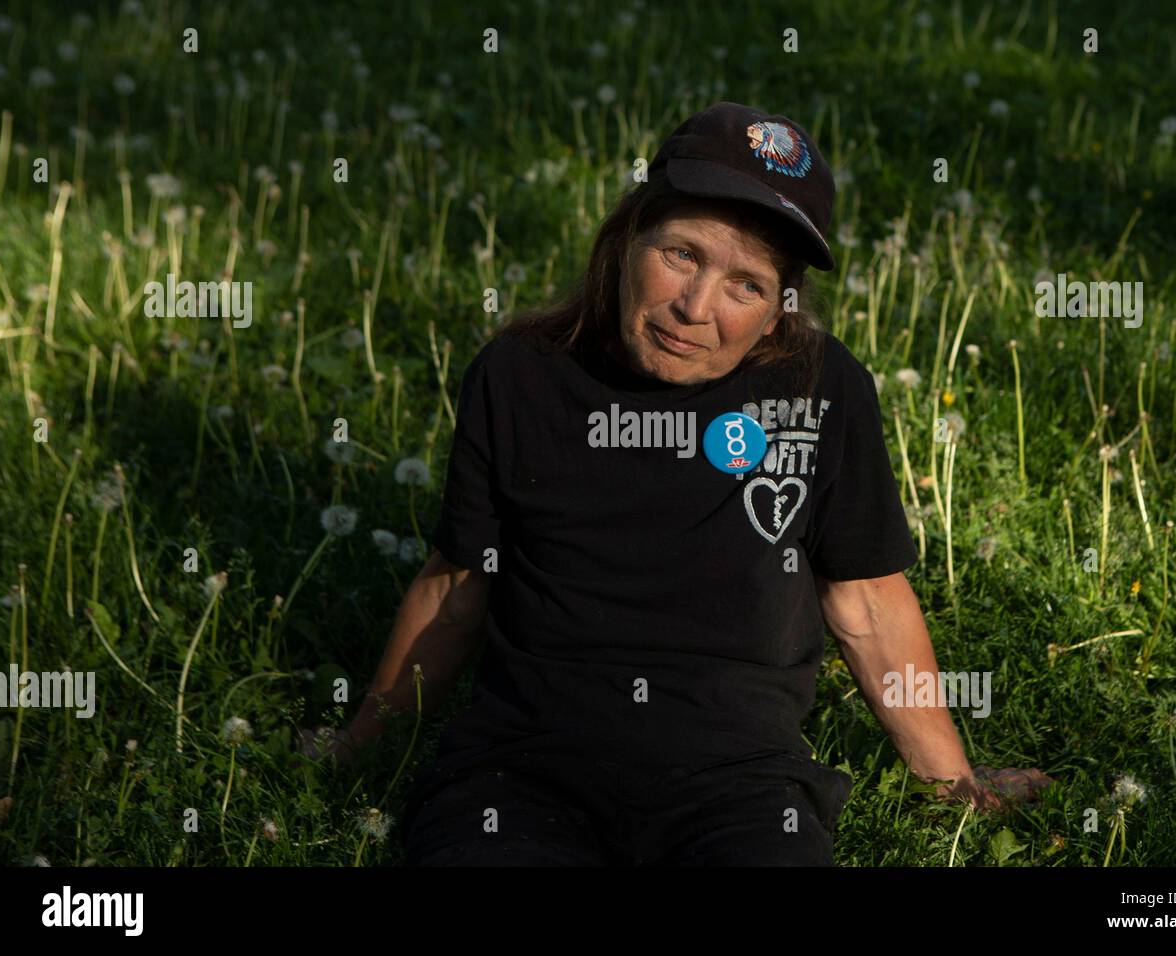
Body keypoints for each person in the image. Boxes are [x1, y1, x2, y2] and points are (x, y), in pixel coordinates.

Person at [300, 101, 1053, 865]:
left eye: (746, 286)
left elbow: (865, 601)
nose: (695, 309)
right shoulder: (520, 375)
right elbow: (458, 583)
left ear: (778, 310)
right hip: (522, 769)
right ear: (629, 236)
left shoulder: (822, 391)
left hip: (739, 778)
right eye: (682, 254)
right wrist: (360, 741)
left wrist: (954, 784)